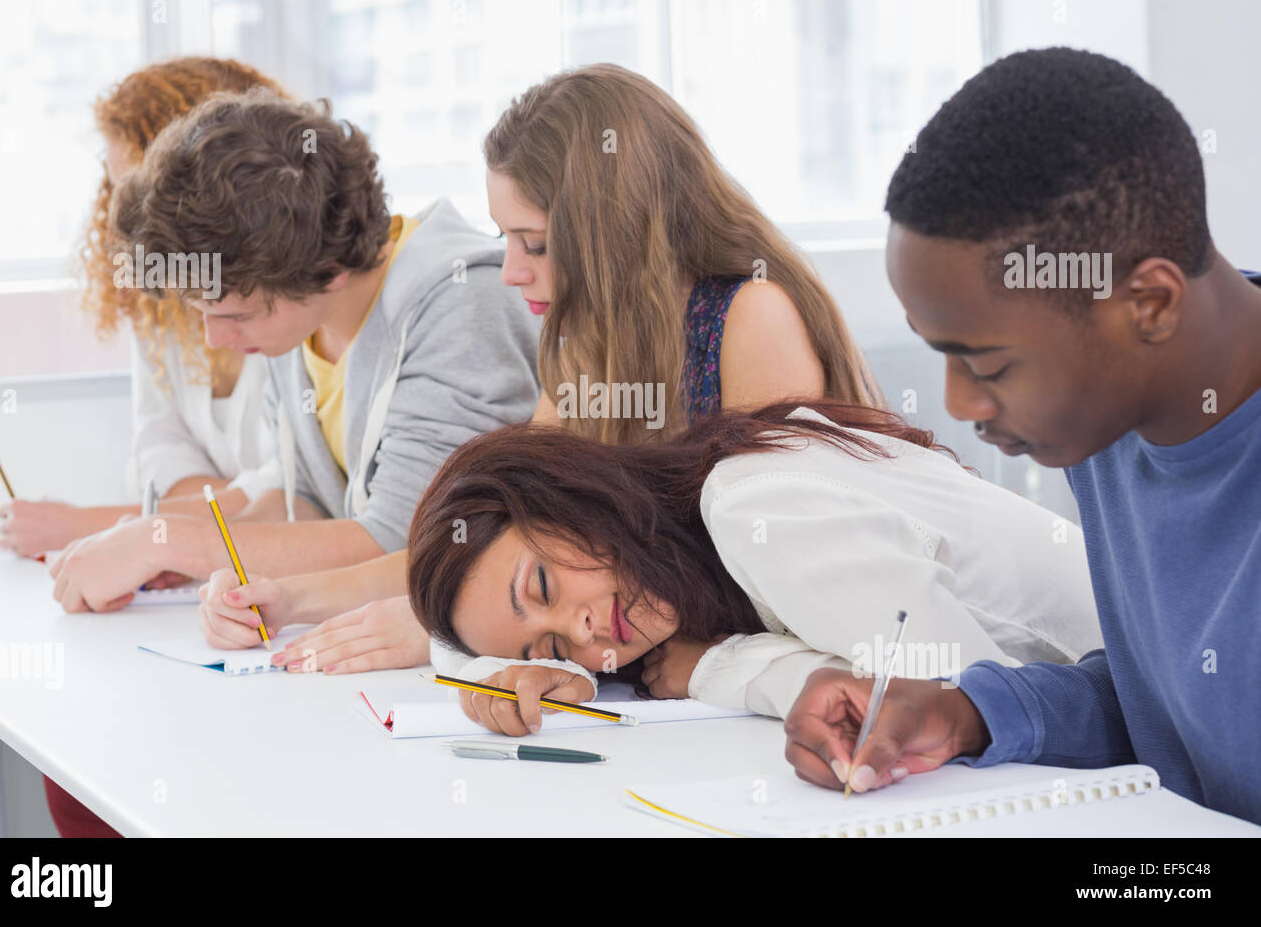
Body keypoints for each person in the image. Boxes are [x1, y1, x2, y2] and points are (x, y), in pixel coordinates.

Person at [196, 62, 884, 672]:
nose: (511, 272)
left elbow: (762, 572)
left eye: (536, 243)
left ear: (619, 230)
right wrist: (286, 597)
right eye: (505, 240)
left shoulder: (750, 316)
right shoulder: (585, 341)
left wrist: (450, 636)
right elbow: (484, 548)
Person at [782, 47, 1261, 827]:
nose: (959, 404)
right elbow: (1192, 713)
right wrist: (967, 712)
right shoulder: (1114, 420)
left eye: (991, 366)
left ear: (1148, 304)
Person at [47, 90, 542, 614]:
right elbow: (303, 502)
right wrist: (177, 548)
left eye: (234, 316)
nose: (217, 339)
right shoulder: (299, 318)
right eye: (204, 313)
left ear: (328, 272)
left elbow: (407, 547)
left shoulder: (461, 306)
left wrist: (169, 540)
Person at [397, 399, 1102, 737]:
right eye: (552, 646)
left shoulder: (751, 506)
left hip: (1150, 739)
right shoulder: (699, 529)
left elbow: (939, 711)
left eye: (543, 586)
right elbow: (472, 634)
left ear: (573, 497)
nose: (581, 633)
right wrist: (527, 673)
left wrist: (721, 668)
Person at [0, 58, 286, 562]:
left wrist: (91, 525)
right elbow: (159, 452)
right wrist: (220, 516)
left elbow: (299, 492)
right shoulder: (157, 303)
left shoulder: (287, 295)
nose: (121, 220)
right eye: (113, 189)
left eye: (136, 191)